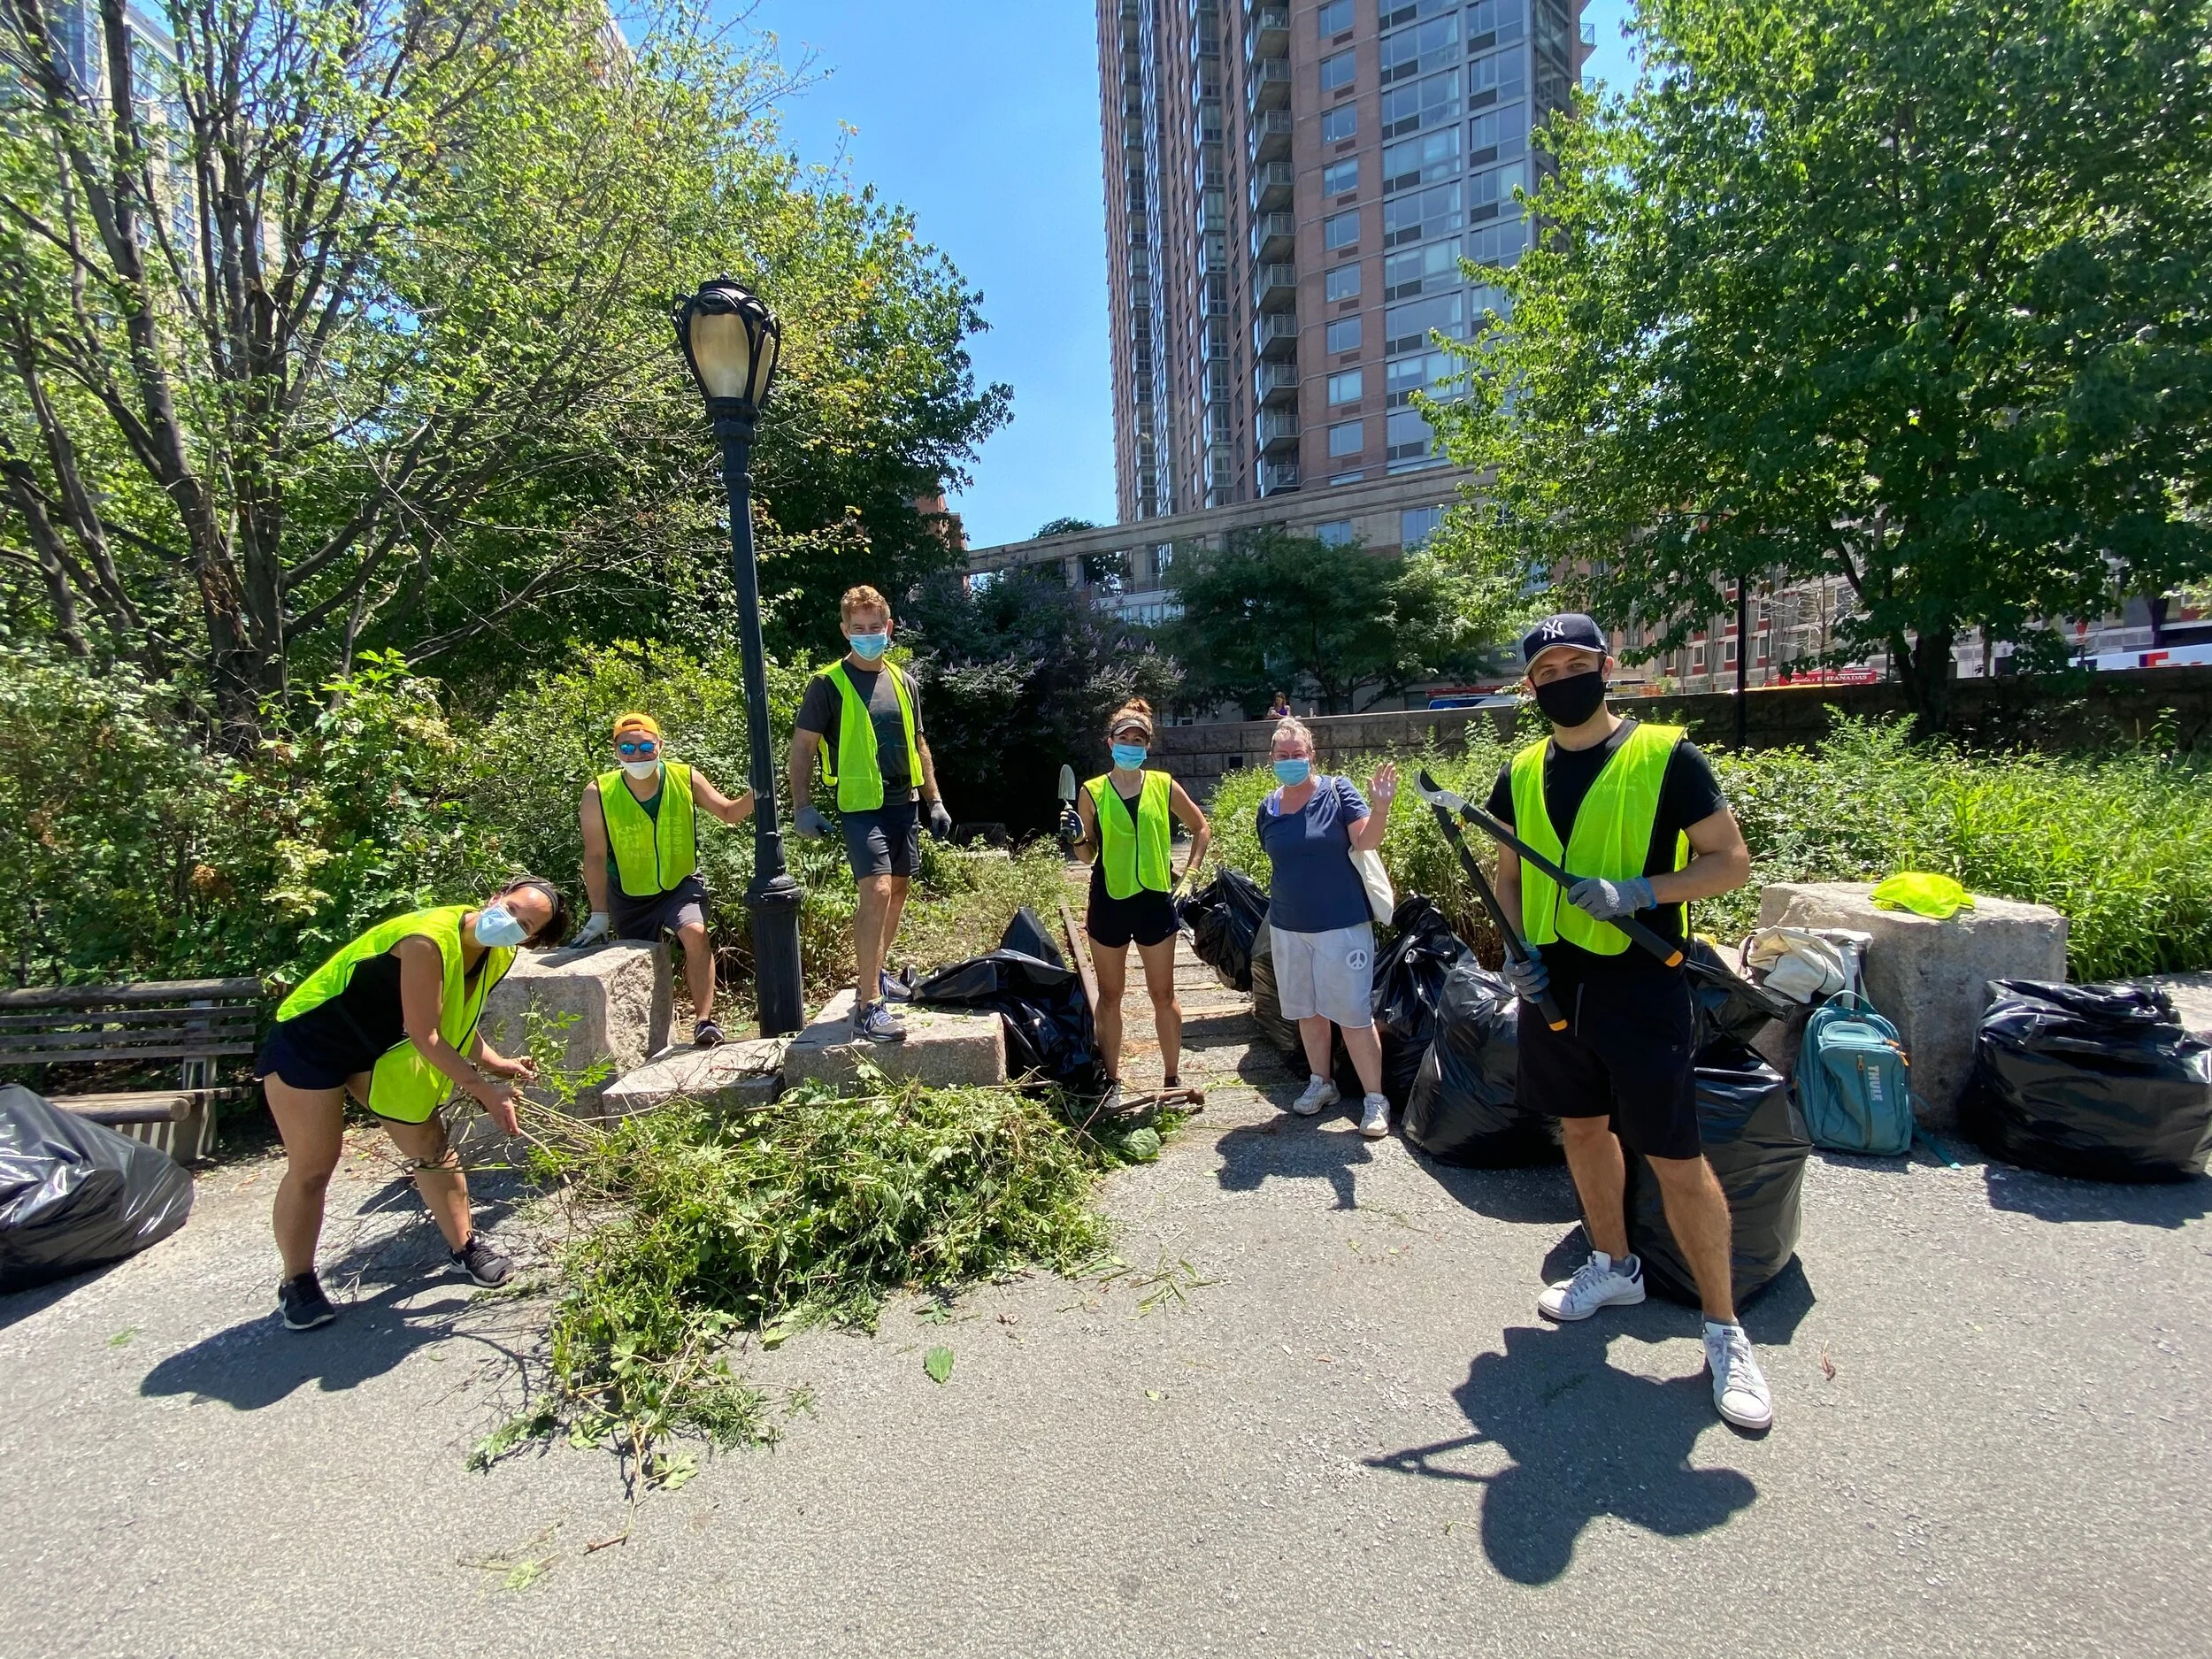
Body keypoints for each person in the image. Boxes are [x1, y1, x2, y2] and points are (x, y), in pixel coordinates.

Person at [1486, 611, 1770, 1432]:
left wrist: (1643, 892)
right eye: (1545, 669)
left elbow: (1729, 860)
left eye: (1576, 661)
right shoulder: (1521, 771)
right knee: (1581, 1129)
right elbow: (1509, 875)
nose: (1561, 677)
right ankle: (1614, 1265)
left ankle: (1723, 1328)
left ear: (1607, 667)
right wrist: (1517, 948)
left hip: (1643, 979)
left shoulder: (1666, 756)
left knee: (1676, 1156)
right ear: (1530, 686)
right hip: (1554, 984)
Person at [254, 876, 571, 1331]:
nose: (513, 923)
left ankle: (466, 1249)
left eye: (525, 925)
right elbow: (426, 1034)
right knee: (313, 1167)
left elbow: (452, 1016)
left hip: (379, 1048)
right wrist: (482, 1089)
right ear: (496, 896)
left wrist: (496, 1062)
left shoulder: (497, 952)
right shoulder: (427, 939)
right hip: (310, 1041)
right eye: (514, 908)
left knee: (430, 1145)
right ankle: (297, 1283)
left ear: (533, 938)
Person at [787, 584, 956, 1043]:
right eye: (858, 628)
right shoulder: (827, 684)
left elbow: (919, 744)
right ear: (845, 630)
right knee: (878, 889)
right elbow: (802, 748)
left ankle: (876, 975)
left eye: (874, 627)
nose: (868, 635)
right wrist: (802, 807)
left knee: (897, 890)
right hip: (860, 807)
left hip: (905, 803)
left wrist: (934, 798)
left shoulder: (905, 681)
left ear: (889, 627)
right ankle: (866, 1005)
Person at [1061, 699, 1211, 1109]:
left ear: (1148, 746)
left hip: (1154, 900)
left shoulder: (1163, 785)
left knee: (1163, 993)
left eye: (1139, 740)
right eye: (1124, 738)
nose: (1131, 745)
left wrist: (1191, 873)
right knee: (1110, 996)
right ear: (1110, 742)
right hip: (1109, 900)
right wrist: (1076, 835)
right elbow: (1087, 856)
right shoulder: (1092, 791)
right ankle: (1111, 1079)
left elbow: (1201, 827)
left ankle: (1172, 1077)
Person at [573, 711, 755, 1047]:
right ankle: (648, 1037)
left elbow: (729, 813)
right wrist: (599, 914)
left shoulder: (684, 777)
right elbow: (595, 855)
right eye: (627, 748)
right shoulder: (599, 791)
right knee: (638, 961)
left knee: (696, 933)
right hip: (629, 890)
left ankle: (704, 1021)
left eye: (645, 746)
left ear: (660, 744)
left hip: (680, 882)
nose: (637, 754)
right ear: (616, 751)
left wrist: (757, 791)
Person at [1253, 718, 1398, 1139]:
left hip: (1342, 925)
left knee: (1353, 1014)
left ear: (1312, 755)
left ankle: (1375, 1099)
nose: (1291, 761)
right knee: (1307, 1010)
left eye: (1298, 755)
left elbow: (1366, 842)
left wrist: (1382, 807)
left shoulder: (1338, 792)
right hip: (1288, 926)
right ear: (1272, 760)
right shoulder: (1270, 806)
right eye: (1283, 756)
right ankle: (1322, 1083)